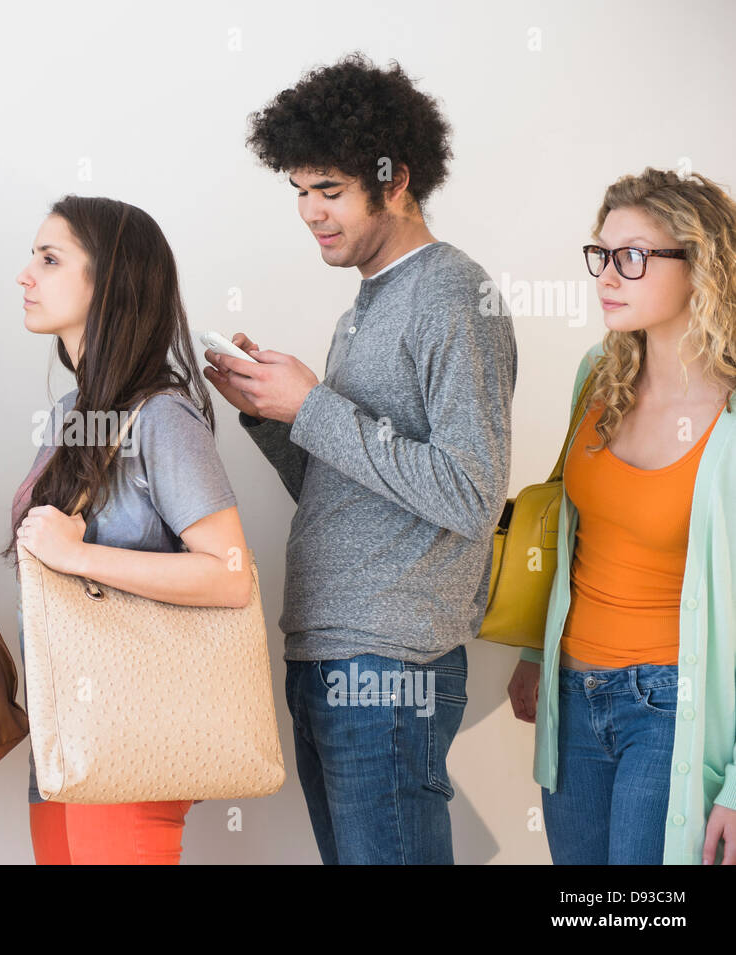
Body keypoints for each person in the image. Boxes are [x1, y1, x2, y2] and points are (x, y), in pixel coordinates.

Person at [204, 53, 517, 864]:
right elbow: (348, 491)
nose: (310, 212)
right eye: (300, 191)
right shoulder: (367, 304)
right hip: (328, 652)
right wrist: (274, 416)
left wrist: (312, 405)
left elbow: (470, 491)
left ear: (397, 179)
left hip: (388, 664)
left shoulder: (453, 294)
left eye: (331, 190)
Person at [7, 195, 251, 865]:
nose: (26, 275)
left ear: (110, 281)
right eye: (32, 257)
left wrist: (78, 555)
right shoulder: (71, 410)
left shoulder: (163, 416)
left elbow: (230, 574)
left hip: (129, 734)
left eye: (50, 259)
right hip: (66, 733)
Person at [507, 168, 736, 865]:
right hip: (571, 696)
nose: (608, 274)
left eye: (633, 256)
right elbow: (568, 528)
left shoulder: (729, 418)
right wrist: (533, 651)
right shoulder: (596, 377)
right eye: (601, 255)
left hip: (672, 708)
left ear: (701, 267)